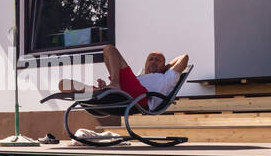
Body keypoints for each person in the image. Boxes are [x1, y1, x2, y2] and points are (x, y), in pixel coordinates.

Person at [58, 45, 189, 111]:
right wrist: (104, 86)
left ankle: (114, 84)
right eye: (151, 59)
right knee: (63, 84)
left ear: (164, 65)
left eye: (158, 60)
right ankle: (105, 89)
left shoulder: (167, 77)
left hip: (140, 98)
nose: (153, 62)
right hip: (124, 93)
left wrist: (166, 68)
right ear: (145, 63)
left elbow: (184, 57)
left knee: (109, 49)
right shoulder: (140, 76)